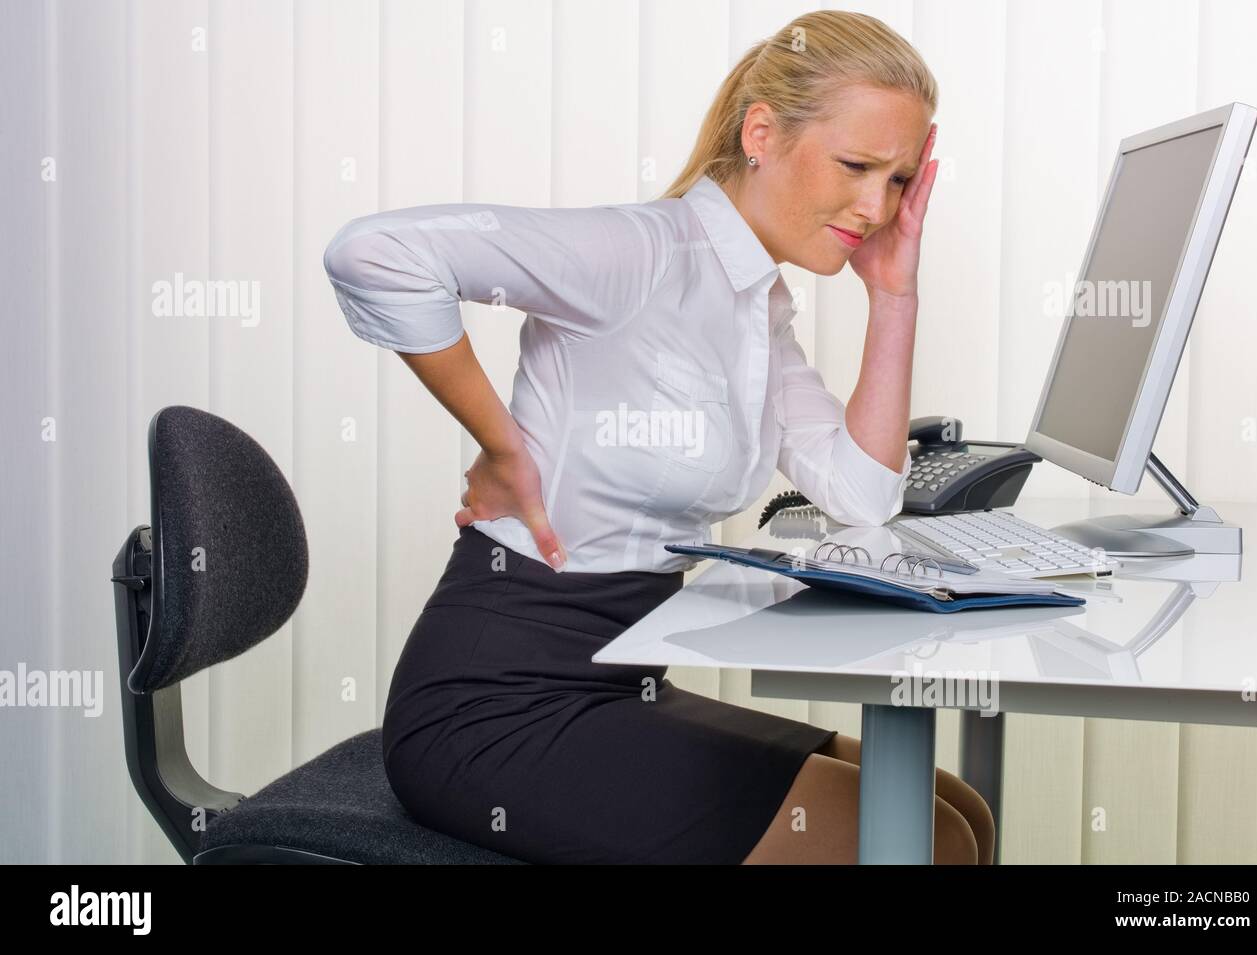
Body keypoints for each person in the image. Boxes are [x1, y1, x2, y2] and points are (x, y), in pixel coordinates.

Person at [322, 9, 993, 864]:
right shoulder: (639, 253)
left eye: (899, 181)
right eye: (857, 166)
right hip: (495, 703)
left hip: (617, 676)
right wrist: (501, 446)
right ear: (762, 133)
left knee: (954, 807)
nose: (876, 205)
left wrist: (893, 296)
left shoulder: (758, 309)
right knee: (926, 837)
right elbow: (373, 252)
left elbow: (862, 492)